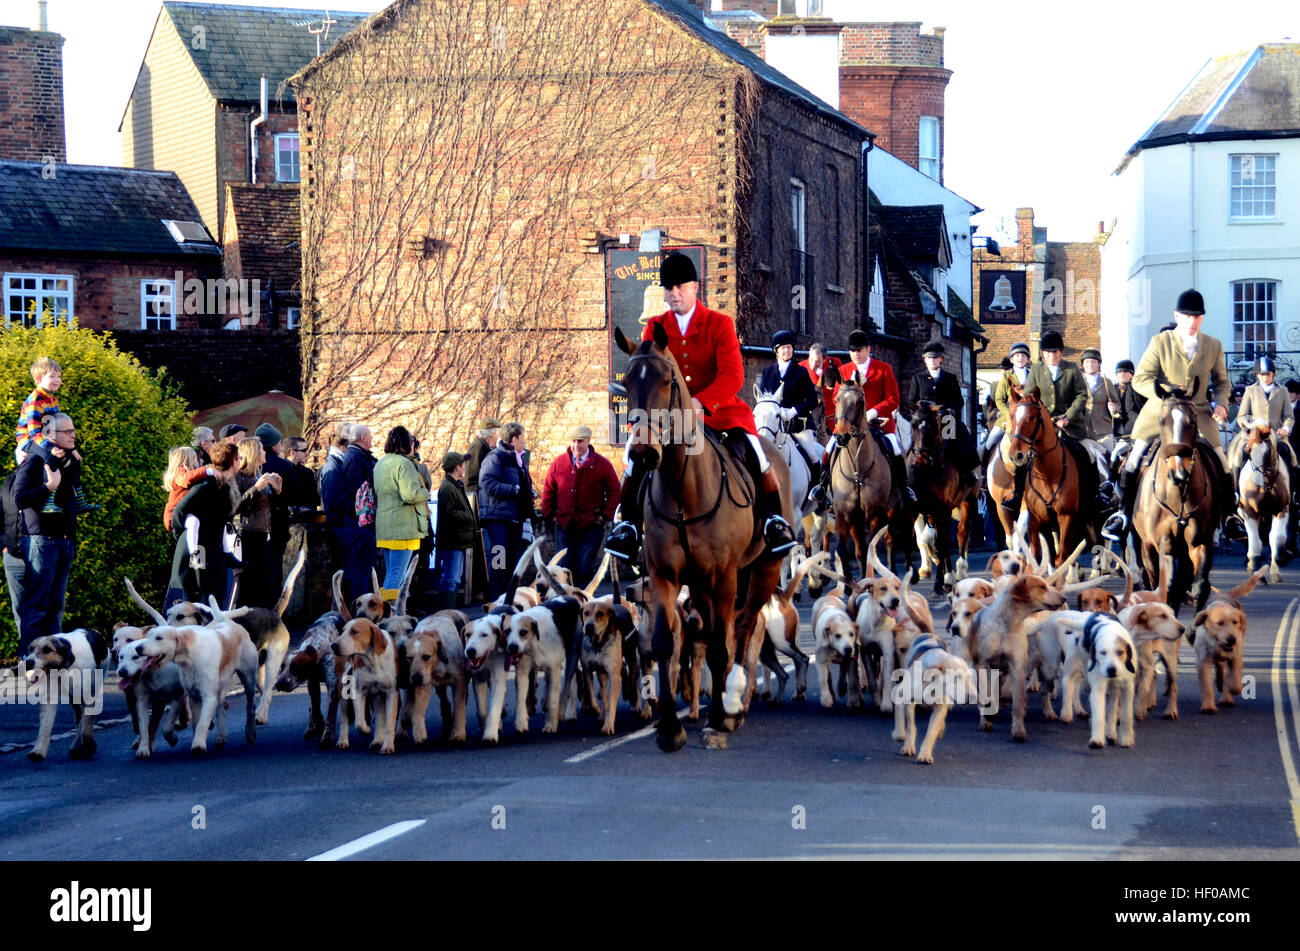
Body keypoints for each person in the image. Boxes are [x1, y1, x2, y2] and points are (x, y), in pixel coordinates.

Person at [604, 252, 797, 562]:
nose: (674, 293)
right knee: (634, 455)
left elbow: (733, 376)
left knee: (756, 452)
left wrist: (700, 402)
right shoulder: (655, 325)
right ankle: (627, 526)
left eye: (680, 286)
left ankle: (774, 521)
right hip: (668, 420)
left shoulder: (719, 324)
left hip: (719, 414)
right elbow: (650, 375)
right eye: (668, 288)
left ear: (695, 287)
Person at [1102, 289, 1246, 541]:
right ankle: (1123, 514)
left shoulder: (1213, 345)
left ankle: (1230, 516)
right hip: (1161, 413)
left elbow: (1223, 382)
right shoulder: (1161, 342)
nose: (1192, 322)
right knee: (1135, 458)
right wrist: (1166, 395)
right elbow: (1141, 379)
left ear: (1202, 319)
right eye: (1188, 317)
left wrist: (1221, 403)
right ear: (1177, 316)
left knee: (1222, 461)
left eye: (1197, 317)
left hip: (1198, 414)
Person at [809, 327, 913, 505]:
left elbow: (893, 399)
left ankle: (904, 488)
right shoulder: (843, 370)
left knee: (896, 449)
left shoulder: (883, 369)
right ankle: (822, 486)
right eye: (852, 351)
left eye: (859, 350)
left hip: (879, 424)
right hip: (849, 426)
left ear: (868, 350)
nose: (856, 354)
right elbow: (836, 397)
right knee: (828, 449)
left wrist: (873, 412)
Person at [13, 413, 85, 652]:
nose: (73, 435)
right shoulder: (34, 460)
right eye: (67, 431)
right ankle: (30, 659)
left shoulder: (69, 460)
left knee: (56, 605)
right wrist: (47, 487)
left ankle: (52, 660)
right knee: (37, 605)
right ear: (50, 434)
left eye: (73, 430)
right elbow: (19, 498)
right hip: (41, 541)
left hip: (64, 541)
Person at [1001, 331, 1089, 512]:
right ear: (1043, 354)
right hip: (1041, 426)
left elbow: (1081, 395)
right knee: (1023, 459)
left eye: (1057, 352)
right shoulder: (1036, 370)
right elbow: (1029, 397)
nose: (1053, 356)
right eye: (1049, 352)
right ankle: (1017, 495)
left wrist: (1067, 417)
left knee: (1083, 455)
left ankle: (1092, 496)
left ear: (1062, 352)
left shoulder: (1072, 369)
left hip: (1070, 426)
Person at [540, 424, 620, 588]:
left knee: (584, 568)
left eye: (580, 441)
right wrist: (550, 514)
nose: (576, 445)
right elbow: (549, 489)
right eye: (574, 441)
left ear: (589, 441)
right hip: (564, 524)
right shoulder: (559, 463)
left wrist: (604, 516)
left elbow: (615, 491)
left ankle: (583, 603)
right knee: (563, 567)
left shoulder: (602, 464)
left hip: (591, 525)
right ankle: (564, 604)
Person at [14, 357, 96, 516]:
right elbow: (33, 431)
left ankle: (79, 500)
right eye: (52, 376)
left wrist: (69, 449)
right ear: (39, 379)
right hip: (28, 440)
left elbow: (51, 426)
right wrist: (50, 448)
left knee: (74, 460)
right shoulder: (35, 399)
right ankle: (49, 502)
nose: (57, 380)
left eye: (59, 376)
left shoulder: (52, 399)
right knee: (49, 457)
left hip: (43, 437)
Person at [167, 441, 239, 610]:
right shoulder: (207, 484)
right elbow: (179, 512)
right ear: (233, 460)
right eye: (239, 457)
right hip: (196, 548)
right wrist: (181, 538)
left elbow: (222, 519)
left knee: (212, 598)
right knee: (192, 602)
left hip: (212, 547)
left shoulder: (224, 486)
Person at [903, 340, 980, 485]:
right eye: (929, 358)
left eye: (935, 357)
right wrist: (921, 406)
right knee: (912, 441)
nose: (932, 360)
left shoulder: (950, 378)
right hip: (924, 418)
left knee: (960, 434)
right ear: (925, 360)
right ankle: (906, 475)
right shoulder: (917, 378)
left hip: (945, 418)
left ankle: (967, 472)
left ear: (941, 359)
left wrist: (950, 410)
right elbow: (912, 400)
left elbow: (958, 400)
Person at [478, 421, 535, 600]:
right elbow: (487, 483)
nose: (525, 442)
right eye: (523, 438)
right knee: (498, 561)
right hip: (498, 519)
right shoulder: (495, 457)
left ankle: (510, 600)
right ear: (514, 438)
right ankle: (495, 600)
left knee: (514, 562)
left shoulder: (518, 459)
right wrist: (515, 490)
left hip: (514, 518)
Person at [373, 425, 430, 602]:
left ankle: (384, 610)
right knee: (397, 576)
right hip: (403, 527)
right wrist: (426, 492)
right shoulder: (405, 464)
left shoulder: (382, 462)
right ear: (407, 443)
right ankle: (390, 617)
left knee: (391, 572)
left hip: (385, 526)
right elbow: (410, 495)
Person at [1229, 355, 1296, 487]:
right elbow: (1242, 416)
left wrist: (1286, 428)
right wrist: (1252, 424)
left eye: (1268, 374)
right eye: (1262, 374)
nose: (1265, 377)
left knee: (1291, 458)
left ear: (1273, 374)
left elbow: (1289, 416)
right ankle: (1236, 492)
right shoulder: (1250, 391)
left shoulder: (1283, 391)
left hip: (1276, 434)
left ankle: (1293, 493)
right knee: (1238, 456)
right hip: (1254, 434)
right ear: (1257, 375)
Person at [330, 423, 378, 603]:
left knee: (363, 568)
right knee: (361, 569)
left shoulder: (357, 457)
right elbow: (360, 493)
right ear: (363, 438)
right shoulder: (356, 459)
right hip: (360, 523)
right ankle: (360, 609)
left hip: (360, 522)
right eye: (371, 435)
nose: (372, 439)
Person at [233, 435, 282, 608]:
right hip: (247, 534)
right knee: (250, 583)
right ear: (253, 453)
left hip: (263, 533)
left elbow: (269, 508)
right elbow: (236, 506)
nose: (264, 452)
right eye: (261, 449)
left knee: (264, 581)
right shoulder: (240, 476)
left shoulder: (259, 474)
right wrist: (257, 488)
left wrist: (277, 490)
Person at [435, 451, 477, 610]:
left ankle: (449, 610)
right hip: (452, 541)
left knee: (454, 577)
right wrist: (469, 515)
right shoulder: (448, 487)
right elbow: (450, 514)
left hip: (456, 540)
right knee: (450, 579)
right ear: (457, 467)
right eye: (463, 465)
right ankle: (446, 612)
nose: (465, 467)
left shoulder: (454, 485)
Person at [257, 423, 294, 596]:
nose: (281, 446)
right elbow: (296, 494)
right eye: (279, 443)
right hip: (278, 522)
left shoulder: (250, 466)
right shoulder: (284, 466)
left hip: (254, 526)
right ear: (273, 444)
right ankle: (272, 608)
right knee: (274, 568)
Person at [986, 342, 1032, 461]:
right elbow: (999, 399)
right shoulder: (1006, 376)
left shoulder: (1033, 376)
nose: (1020, 358)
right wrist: (1009, 414)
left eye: (1023, 356)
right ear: (1012, 359)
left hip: (1028, 418)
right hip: (1008, 416)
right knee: (990, 441)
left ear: (1027, 359)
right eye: (1017, 356)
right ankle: (984, 471)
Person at [163, 446, 213, 531]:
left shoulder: (186, 473)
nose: (197, 461)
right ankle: (192, 545)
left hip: (183, 512)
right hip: (175, 515)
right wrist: (206, 470)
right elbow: (186, 479)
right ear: (185, 462)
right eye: (194, 458)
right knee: (193, 522)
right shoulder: (179, 473)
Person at [1080, 348, 1120, 454]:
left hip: (1104, 430)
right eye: (1087, 362)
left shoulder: (1107, 382)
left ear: (1098, 364)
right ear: (1083, 365)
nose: (1090, 364)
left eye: (1093, 362)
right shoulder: (1077, 382)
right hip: (1084, 431)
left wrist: (1114, 408)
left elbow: (1117, 402)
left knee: (1112, 459)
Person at [800, 341, 840, 439]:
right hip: (812, 418)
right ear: (809, 354)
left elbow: (841, 387)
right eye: (812, 359)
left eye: (818, 361)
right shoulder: (800, 368)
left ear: (825, 359)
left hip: (831, 416)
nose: (814, 364)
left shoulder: (835, 364)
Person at [465, 418, 501, 516]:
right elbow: (471, 477)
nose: (500, 436)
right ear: (492, 434)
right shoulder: (478, 447)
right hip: (478, 501)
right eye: (499, 432)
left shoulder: (485, 447)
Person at [1112, 359, 1145, 439]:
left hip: (1135, 427)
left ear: (1132, 374)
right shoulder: (1112, 388)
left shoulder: (1138, 389)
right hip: (1115, 429)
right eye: (1119, 372)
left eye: (1126, 372)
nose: (1122, 374)